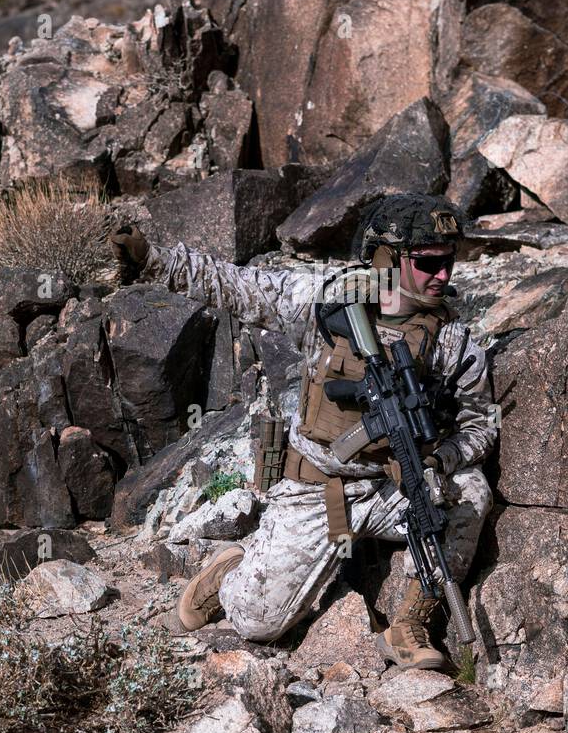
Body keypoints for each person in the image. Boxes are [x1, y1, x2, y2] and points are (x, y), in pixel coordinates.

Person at [110, 192, 497, 670]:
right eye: (428, 263)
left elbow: (480, 424)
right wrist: (152, 260)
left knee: (470, 490)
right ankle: (228, 570)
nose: (443, 275)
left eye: (448, 261)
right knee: (258, 624)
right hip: (315, 490)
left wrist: (441, 460)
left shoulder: (453, 341)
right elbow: (235, 286)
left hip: (392, 488)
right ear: (387, 259)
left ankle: (410, 624)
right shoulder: (326, 303)